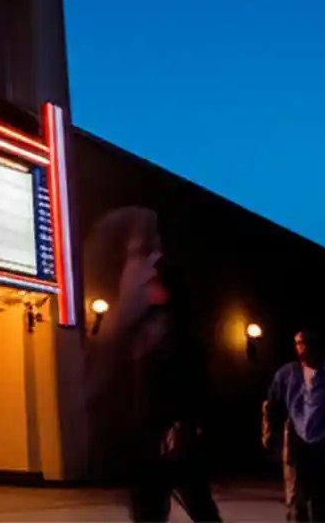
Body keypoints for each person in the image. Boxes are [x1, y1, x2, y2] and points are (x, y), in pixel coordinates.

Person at [87, 208, 221, 522]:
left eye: (155, 280)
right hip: (147, 437)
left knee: (198, 503)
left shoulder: (184, 335)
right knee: (149, 508)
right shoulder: (142, 328)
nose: (147, 281)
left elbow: (195, 383)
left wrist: (184, 424)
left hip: (177, 435)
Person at [265, 331, 325, 522]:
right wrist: (269, 433)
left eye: (305, 343)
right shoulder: (287, 374)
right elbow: (271, 405)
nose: (301, 349)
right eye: (298, 344)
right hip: (298, 442)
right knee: (296, 499)